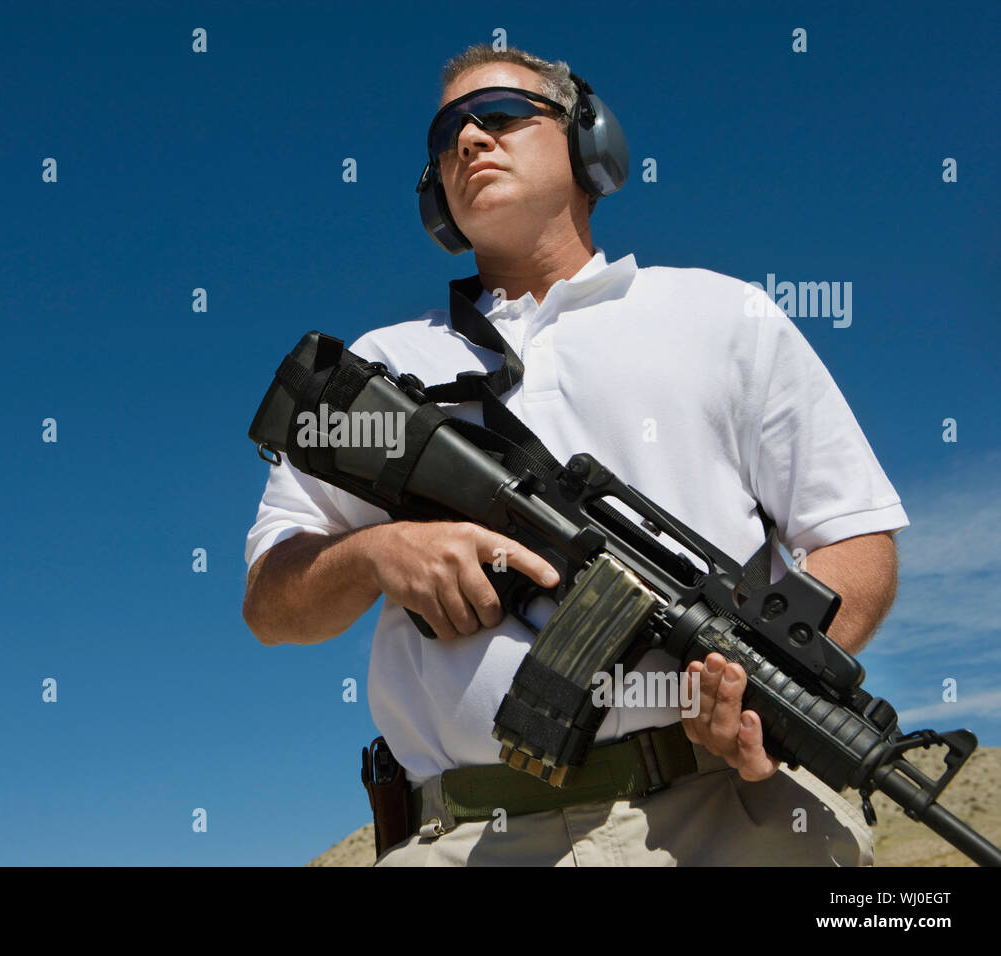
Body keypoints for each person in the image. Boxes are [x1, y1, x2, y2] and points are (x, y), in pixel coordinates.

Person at [242, 44, 906, 866]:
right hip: (469, 835)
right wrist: (379, 552)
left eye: (502, 116)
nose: (470, 142)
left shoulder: (726, 314)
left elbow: (853, 538)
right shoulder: (382, 366)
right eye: (447, 134)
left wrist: (764, 690)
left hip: (727, 813)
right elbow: (271, 602)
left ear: (588, 140)